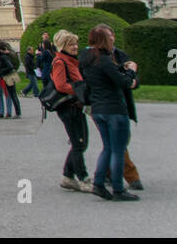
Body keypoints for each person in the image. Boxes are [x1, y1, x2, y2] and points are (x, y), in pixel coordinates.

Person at [79, 24, 139, 201]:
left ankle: (98, 184)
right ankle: (118, 189)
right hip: (114, 109)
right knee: (118, 150)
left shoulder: (86, 59)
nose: (112, 39)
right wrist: (132, 73)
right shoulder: (104, 60)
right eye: (109, 36)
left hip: (98, 108)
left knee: (107, 147)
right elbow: (123, 82)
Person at [50, 29, 92, 193]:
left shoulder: (71, 60)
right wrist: (78, 91)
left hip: (76, 106)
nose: (75, 47)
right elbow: (60, 85)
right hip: (68, 107)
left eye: (75, 43)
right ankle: (83, 178)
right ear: (62, 47)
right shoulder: (60, 62)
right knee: (78, 144)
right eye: (71, 44)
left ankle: (68, 176)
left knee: (80, 143)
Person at [112, 40, 144, 191]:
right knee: (119, 140)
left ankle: (107, 172)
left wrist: (133, 81)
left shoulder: (120, 55)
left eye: (111, 36)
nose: (110, 40)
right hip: (105, 106)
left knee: (118, 140)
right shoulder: (95, 57)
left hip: (122, 104)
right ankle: (132, 176)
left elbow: (133, 80)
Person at [0, 40, 22, 118]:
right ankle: (18, 112)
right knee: (13, 94)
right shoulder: (5, 55)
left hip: (8, 76)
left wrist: (1, 71)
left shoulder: (3, 57)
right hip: (8, 75)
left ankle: (18, 113)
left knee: (13, 94)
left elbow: (10, 66)